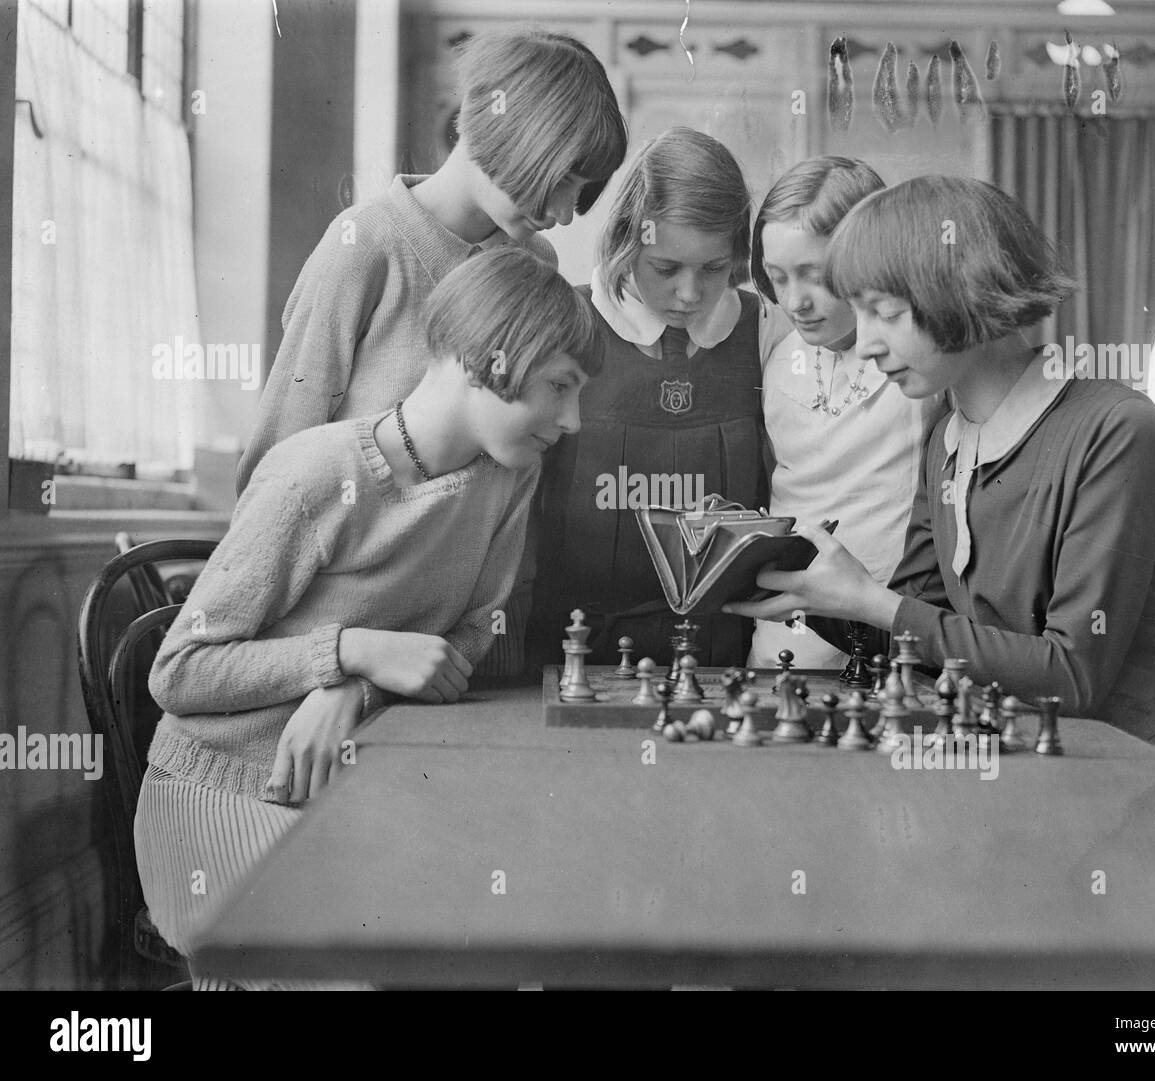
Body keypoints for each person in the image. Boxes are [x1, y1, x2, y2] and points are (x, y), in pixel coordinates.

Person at [725, 175, 1155, 777]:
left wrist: (875, 604)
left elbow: (1071, 676)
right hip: (1065, 758)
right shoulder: (947, 435)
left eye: (886, 314)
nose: (864, 345)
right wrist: (807, 592)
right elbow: (922, 634)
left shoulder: (1117, 429)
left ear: (961, 293)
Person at [136, 249, 604, 980]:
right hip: (217, 790)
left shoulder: (508, 476)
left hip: (348, 790)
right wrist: (347, 650)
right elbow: (179, 671)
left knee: (510, 935)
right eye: (560, 386)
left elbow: (473, 630)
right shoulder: (313, 473)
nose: (572, 419)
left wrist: (354, 688)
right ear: (494, 359)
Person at [235, 27, 626, 494]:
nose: (564, 215)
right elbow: (276, 463)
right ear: (510, 134)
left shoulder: (537, 262)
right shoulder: (364, 244)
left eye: (580, 193)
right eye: (562, 180)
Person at [529, 127, 786, 667]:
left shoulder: (765, 330)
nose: (690, 295)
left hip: (718, 654)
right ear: (626, 241)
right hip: (575, 648)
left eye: (714, 269)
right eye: (665, 269)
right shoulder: (564, 323)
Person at [748, 156, 943, 670]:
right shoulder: (773, 352)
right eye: (777, 277)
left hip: (887, 631)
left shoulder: (922, 361)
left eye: (814, 276)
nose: (795, 300)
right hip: (780, 638)